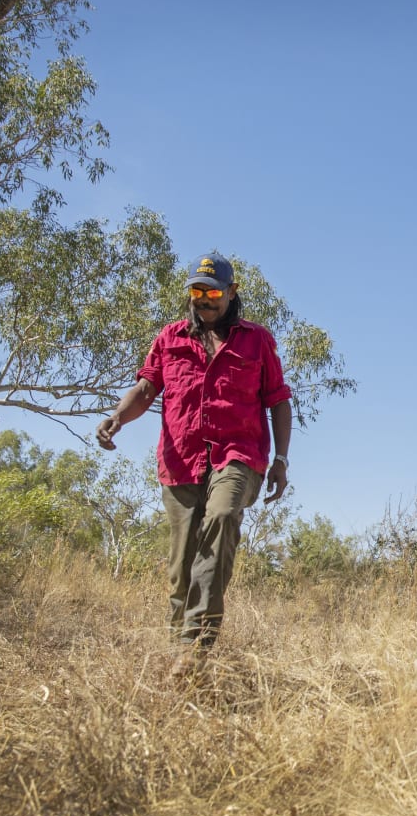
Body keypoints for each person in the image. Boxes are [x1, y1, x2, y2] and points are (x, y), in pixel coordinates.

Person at [97, 252, 292, 677]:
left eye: (213, 292)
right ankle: (177, 654)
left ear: (232, 293)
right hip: (181, 459)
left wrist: (280, 459)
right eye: (196, 291)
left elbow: (277, 399)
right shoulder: (169, 338)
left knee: (222, 516)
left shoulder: (256, 340)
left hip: (238, 454)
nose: (203, 299)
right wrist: (117, 417)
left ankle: (195, 646)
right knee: (182, 562)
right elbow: (146, 389)